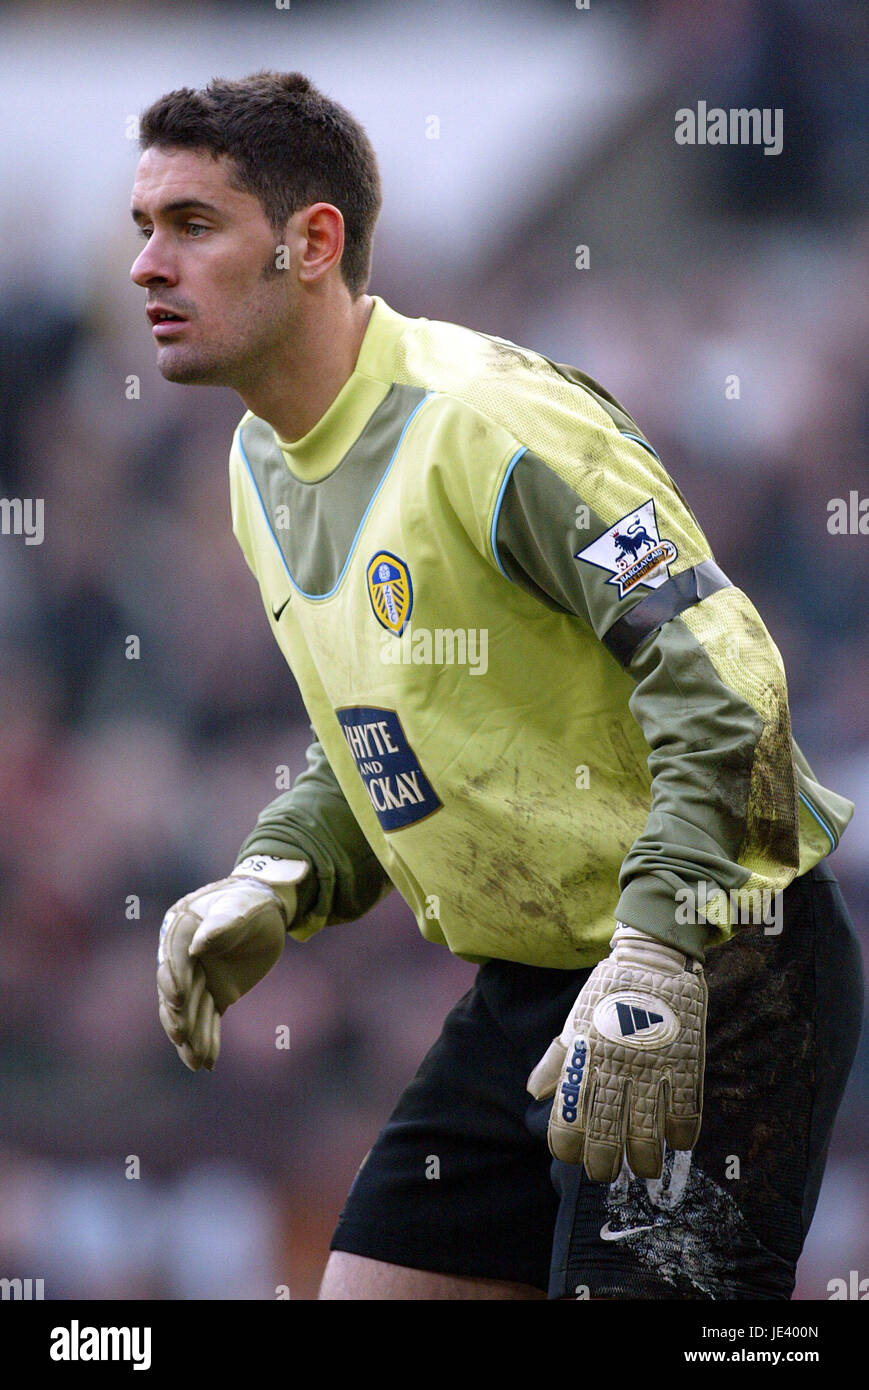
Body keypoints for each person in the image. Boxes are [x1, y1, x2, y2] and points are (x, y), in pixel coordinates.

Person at [131, 71, 862, 1301]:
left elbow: (724, 673)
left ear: (312, 244)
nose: (148, 264)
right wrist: (281, 873)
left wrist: (654, 948)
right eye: (141, 229)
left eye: (192, 225)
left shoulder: (484, 423)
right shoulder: (260, 465)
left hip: (713, 959)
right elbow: (392, 734)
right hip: (534, 983)